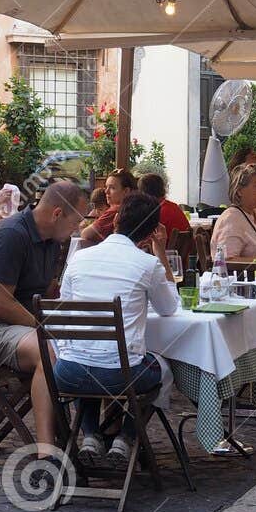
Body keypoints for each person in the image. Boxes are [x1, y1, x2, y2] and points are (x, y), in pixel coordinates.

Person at [55, 192, 180, 468]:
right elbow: (169, 308)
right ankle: (126, 438)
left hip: (68, 372)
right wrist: (160, 253)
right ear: (149, 234)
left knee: (86, 361)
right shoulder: (147, 264)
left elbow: (64, 309)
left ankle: (91, 435)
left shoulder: (79, 257)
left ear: (115, 221)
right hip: (122, 377)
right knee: (163, 368)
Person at [0, 180, 89, 454]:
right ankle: (47, 449)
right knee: (48, 353)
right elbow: (1, 305)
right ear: (57, 214)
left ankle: (94, 435)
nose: (78, 228)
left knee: (88, 342)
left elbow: (46, 292)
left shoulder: (51, 240)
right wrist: (47, 327)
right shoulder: (11, 235)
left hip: (25, 323)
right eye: (76, 221)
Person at [79, 168, 137, 246]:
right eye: (106, 187)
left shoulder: (115, 210)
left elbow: (85, 234)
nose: (106, 191)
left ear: (126, 191)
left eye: (112, 188)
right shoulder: (137, 207)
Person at [138, 171, 190, 237]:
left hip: (168, 244)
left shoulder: (159, 212)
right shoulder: (173, 206)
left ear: (144, 193)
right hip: (183, 243)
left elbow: (148, 238)